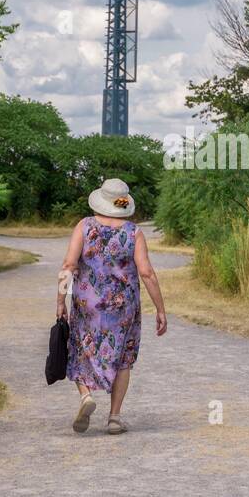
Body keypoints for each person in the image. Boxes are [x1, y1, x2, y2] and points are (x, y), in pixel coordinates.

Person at [57, 178, 166, 434]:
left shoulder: (84, 226)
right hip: (123, 307)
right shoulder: (133, 232)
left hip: (87, 304)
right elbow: (147, 272)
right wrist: (161, 309)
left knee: (81, 349)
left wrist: (60, 300)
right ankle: (114, 418)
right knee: (123, 358)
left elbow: (68, 266)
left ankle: (86, 396)